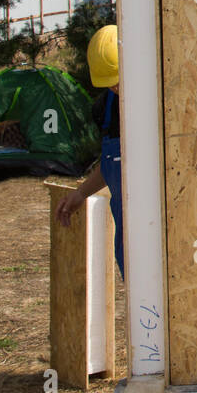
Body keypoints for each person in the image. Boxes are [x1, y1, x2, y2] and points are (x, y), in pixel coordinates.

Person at [55, 25, 126, 278]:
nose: (115, 88)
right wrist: (81, 193)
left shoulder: (160, 103)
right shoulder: (105, 110)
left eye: (118, 81)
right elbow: (113, 164)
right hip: (127, 241)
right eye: (110, 84)